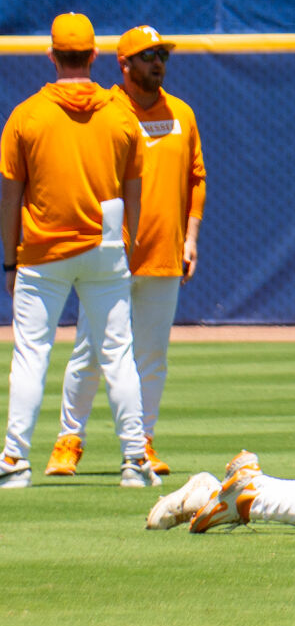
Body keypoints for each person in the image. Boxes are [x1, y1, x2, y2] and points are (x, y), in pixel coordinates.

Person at [2, 14, 153, 488]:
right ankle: (134, 461)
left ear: (51, 55)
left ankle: (14, 462)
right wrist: (124, 246)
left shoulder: (26, 115)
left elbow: (10, 197)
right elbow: (134, 191)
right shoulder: (120, 114)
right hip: (104, 248)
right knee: (118, 354)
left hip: (42, 252)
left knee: (31, 355)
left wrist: (9, 260)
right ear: (93, 56)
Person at [51, 25, 206, 478]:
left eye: (162, 55)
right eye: (148, 56)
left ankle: (144, 442)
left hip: (163, 252)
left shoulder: (181, 113)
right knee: (91, 351)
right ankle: (68, 440)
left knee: (151, 357)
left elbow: (197, 177)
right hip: (111, 255)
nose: (158, 62)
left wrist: (191, 237)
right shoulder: (102, 110)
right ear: (124, 64)